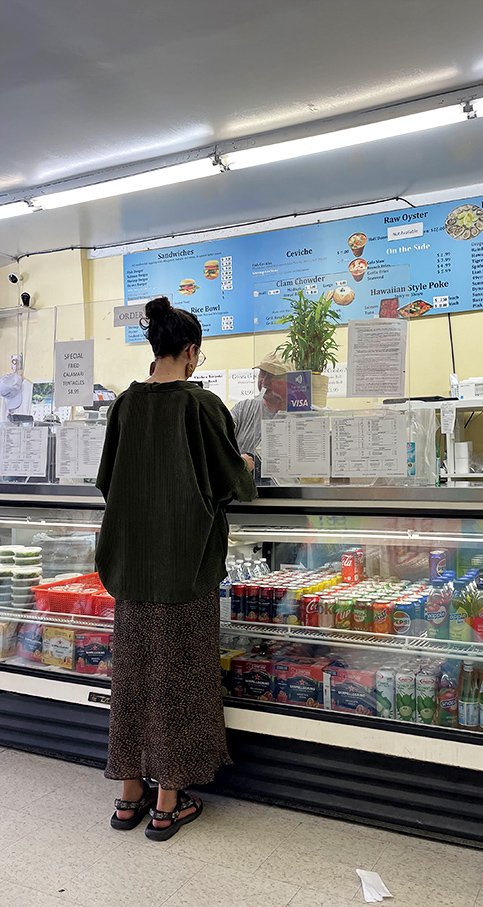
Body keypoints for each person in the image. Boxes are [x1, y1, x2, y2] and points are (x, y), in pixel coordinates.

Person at [95, 295, 256, 841]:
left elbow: (107, 481)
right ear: (190, 352)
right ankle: (168, 803)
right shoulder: (201, 406)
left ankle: (128, 795)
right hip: (184, 570)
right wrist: (249, 463)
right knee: (179, 682)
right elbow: (234, 482)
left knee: (136, 679)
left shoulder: (123, 406)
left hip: (130, 570)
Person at [231, 351, 291, 474]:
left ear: (290, 381)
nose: (265, 381)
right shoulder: (243, 409)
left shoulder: (299, 415)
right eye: (262, 373)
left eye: (273, 375)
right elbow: (219, 439)